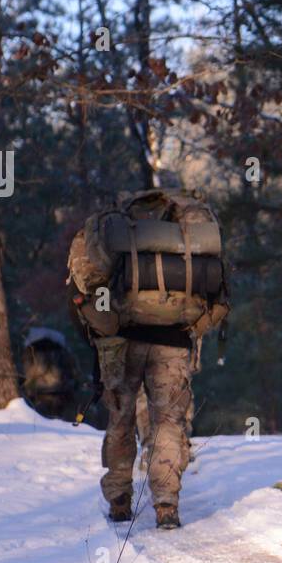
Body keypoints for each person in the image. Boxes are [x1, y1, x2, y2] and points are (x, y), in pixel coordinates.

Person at [67, 187, 229, 529]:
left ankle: (119, 501)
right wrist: (194, 328)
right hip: (174, 340)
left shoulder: (117, 231)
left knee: (121, 419)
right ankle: (166, 505)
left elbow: (87, 285)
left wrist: (100, 326)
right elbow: (219, 294)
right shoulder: (191, 233)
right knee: (168, 423)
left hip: (122, 341)